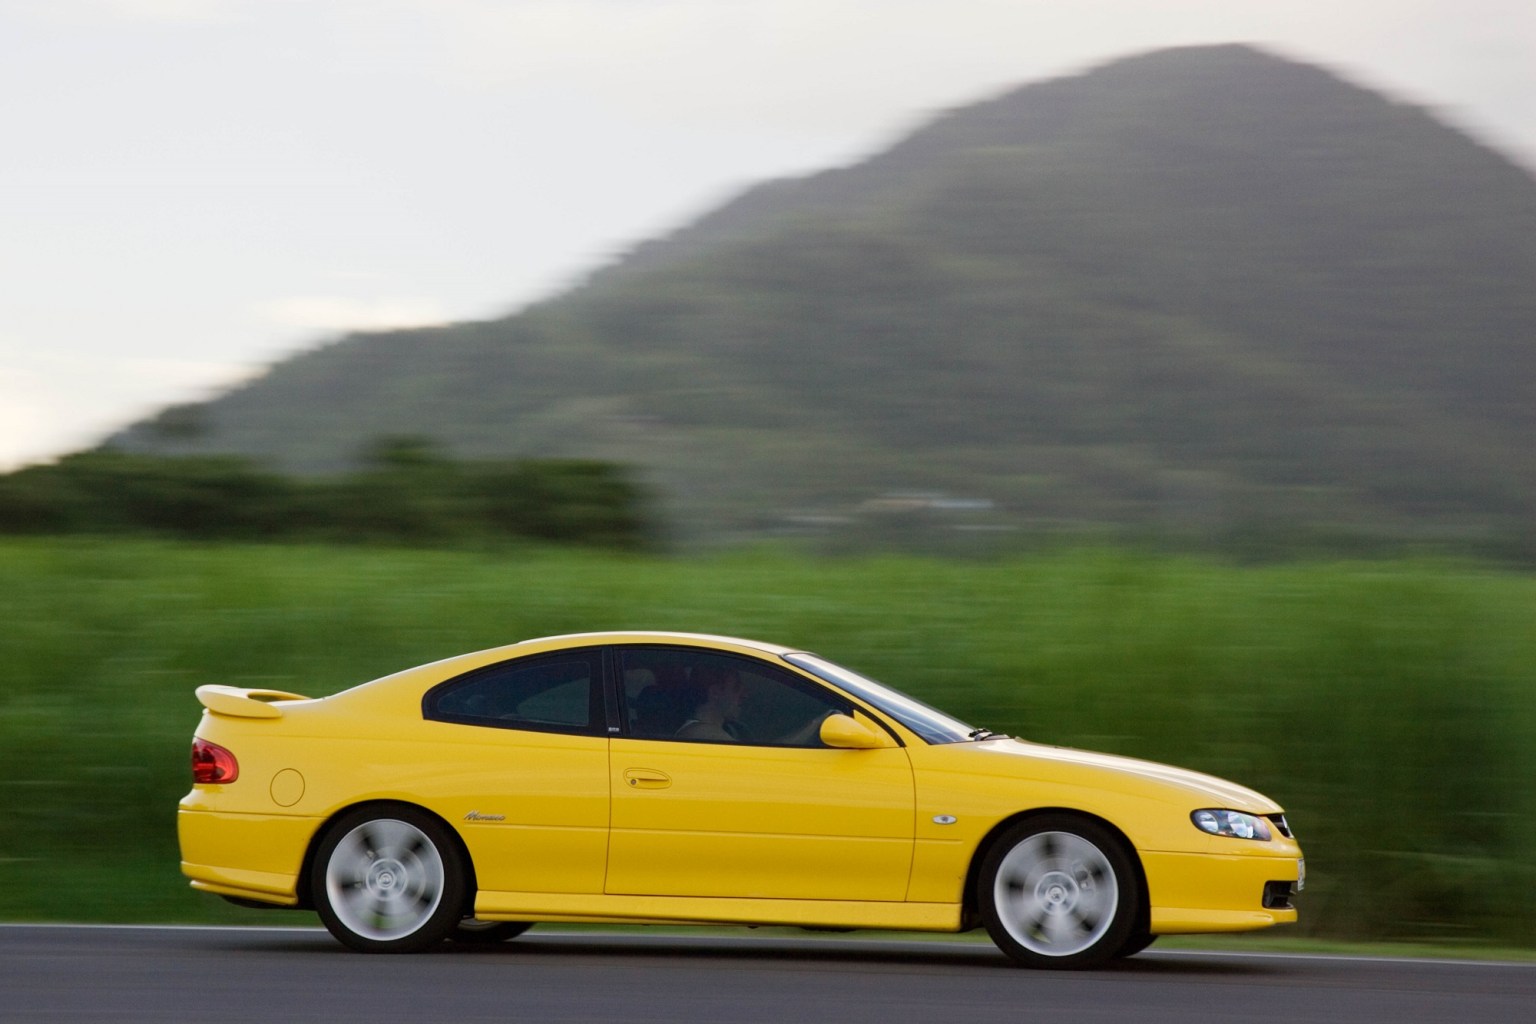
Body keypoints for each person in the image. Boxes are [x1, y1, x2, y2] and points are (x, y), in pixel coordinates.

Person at [675, 664, 745, 741]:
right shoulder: (701, 733)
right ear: (715, 692)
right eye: (736, 688)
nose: (744, 696)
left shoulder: (727, 730)